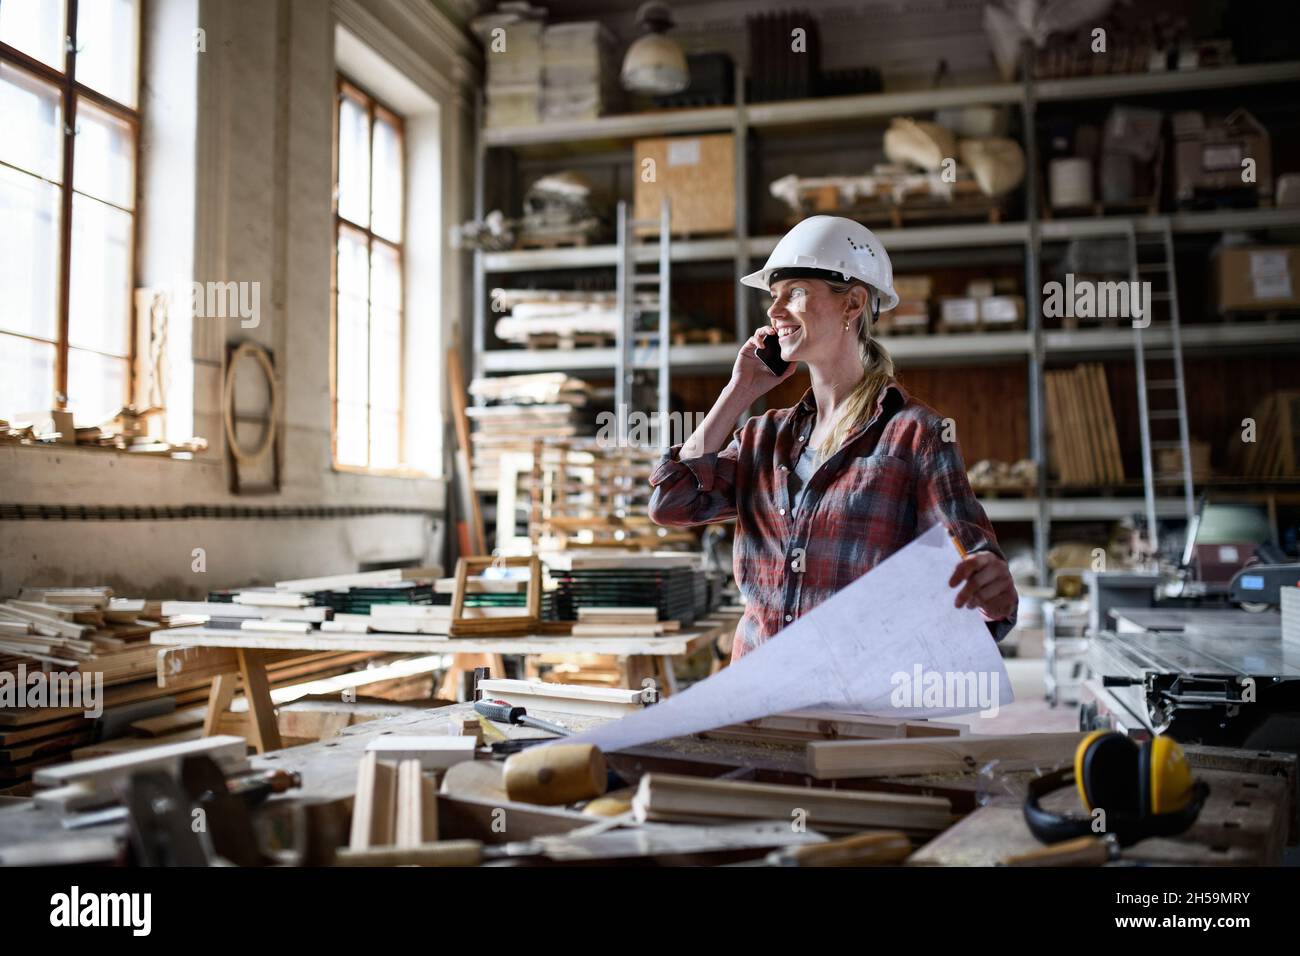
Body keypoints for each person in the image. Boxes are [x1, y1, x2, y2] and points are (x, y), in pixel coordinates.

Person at [648, 215, 1018, 661]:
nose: (774, 309)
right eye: (773, 295)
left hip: (861, 706)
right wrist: (738, 392)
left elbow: (974, 568)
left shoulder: (914, 435)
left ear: (853, 304)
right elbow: (671, 502)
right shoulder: (763, 438)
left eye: (796, 292)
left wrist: (992, 586)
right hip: (757, 695)